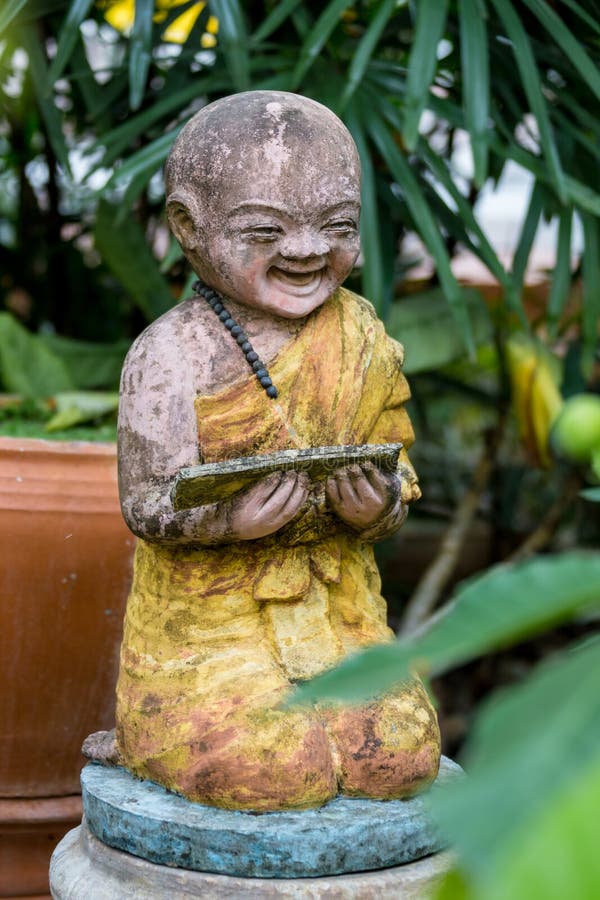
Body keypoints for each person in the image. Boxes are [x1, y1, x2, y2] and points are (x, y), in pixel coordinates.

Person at [113, 91, 440, 811]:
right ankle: (150, 726)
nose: (307, 250)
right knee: (272, 770)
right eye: (266, 229)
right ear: (188, 228)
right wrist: (227, 523)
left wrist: (374, 508)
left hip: (337, 607)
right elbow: (144, 502)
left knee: (397, 753)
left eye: (338, 227)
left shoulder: (359, 334)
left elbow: (399, 471)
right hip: (209, 625)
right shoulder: (172, 352)